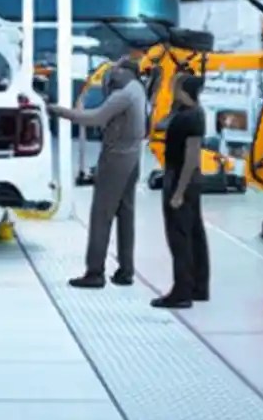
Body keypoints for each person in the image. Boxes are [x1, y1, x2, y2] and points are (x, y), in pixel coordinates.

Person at [49, 61, 148, 289]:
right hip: (133, 158)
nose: (111, 76)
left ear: (126, 72)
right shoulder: (138, 90)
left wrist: (58, 111)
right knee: (126, 215)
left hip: (115, 159)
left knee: (101, 215)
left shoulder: (123, 95)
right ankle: (126, 270)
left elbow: (94, 118)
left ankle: (94, 272)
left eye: (115, 71)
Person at [154, 72, 210, 309]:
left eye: (176, 85)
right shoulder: (187, 111)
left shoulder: (191, 117)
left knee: (180, 237)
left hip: (180, 178)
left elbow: (192, 158)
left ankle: (182, 291)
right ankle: (198, 286)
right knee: (194, 233)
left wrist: (179, 192)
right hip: (183, 179)